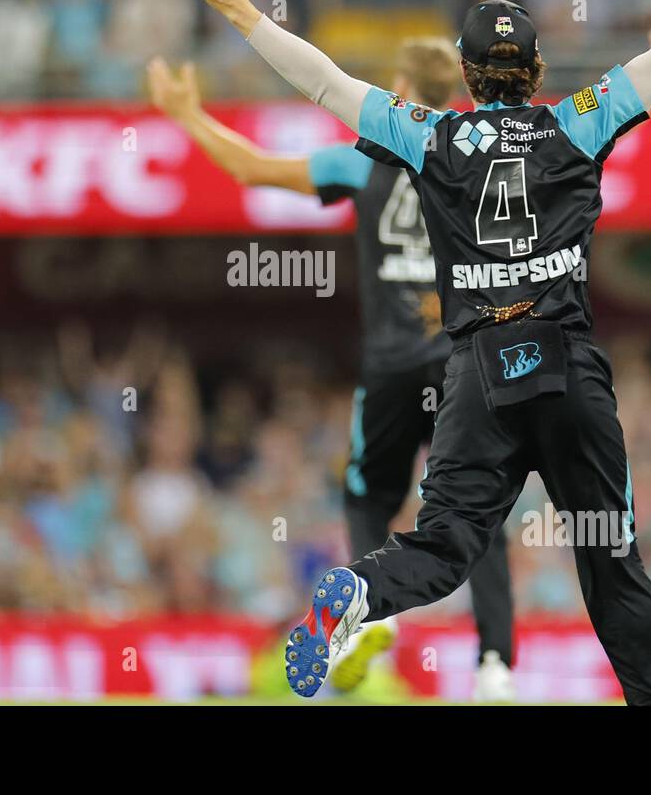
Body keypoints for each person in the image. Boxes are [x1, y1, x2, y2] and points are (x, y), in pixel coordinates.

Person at [176, 0, 651, 704]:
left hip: (476, 374)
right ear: (538, 70)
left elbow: (326, 83)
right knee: (611, 566)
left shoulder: (430, 136)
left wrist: (241, 14)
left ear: (468, 76)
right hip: (567, 367)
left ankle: (364, 596)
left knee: (446, 546)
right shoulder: (578, 123)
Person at [145, 42, 518, 701]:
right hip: (462, 362)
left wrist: (188, 115)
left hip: (391, 367)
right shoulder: (482, 159)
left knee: (368, 497)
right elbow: (581, 151)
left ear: (401, 87)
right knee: (476, 506)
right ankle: (494, 663)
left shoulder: (365, 160)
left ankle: (371, 621)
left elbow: (252, 169)